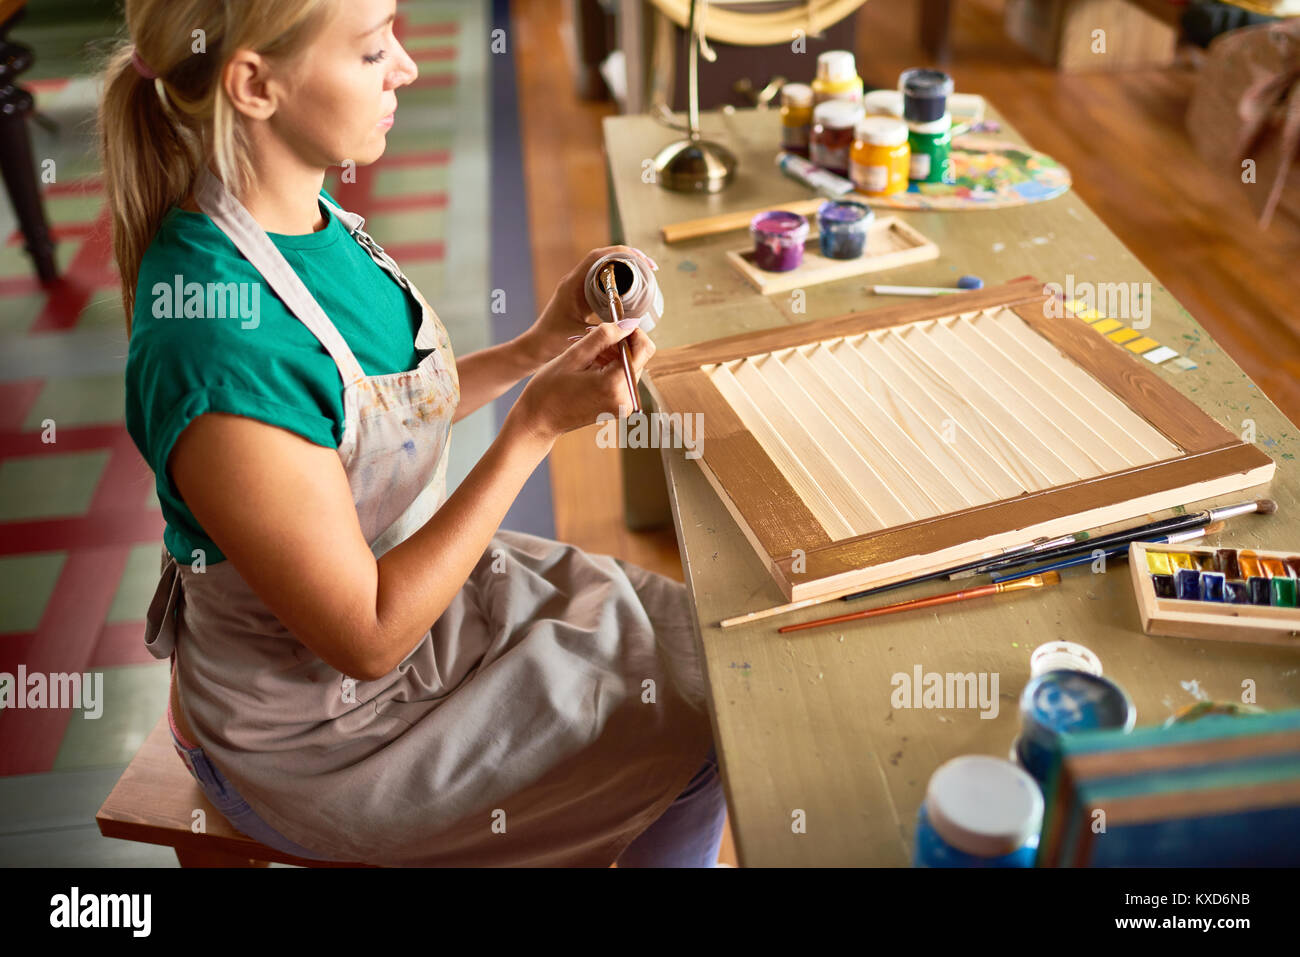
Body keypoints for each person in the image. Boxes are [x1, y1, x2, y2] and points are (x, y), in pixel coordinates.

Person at [100, 0, 725, 867]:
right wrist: (535, 424)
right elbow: (367, 634)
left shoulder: (306, 219)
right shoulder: (217, 348)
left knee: (710, 656)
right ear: (253, 84)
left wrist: (532, 349)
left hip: (422, 616)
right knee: (694, 730)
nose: (407, 67)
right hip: (323, 734)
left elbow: (370, 425)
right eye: (370, 50)